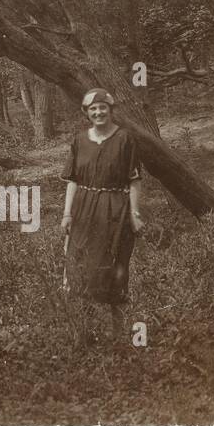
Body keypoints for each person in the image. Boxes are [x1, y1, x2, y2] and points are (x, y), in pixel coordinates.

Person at [60, 88, 144, 341]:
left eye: (103, 107)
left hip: (114, 208)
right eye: (93, 109)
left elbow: (134, 180)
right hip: (83, 209)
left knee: (115, 263)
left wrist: (135, 213)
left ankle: (118, 329)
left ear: (111, 110)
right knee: (79, 262)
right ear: (86, 113)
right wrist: (67, 214)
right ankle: (84, 328)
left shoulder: (125, 139)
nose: (98, 112)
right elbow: (72, 180)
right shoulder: (80, 140)